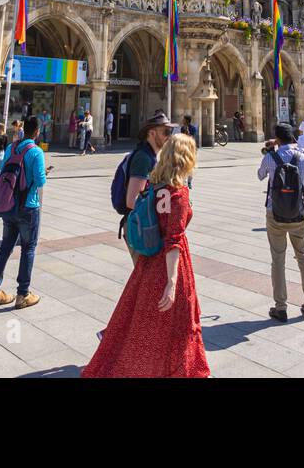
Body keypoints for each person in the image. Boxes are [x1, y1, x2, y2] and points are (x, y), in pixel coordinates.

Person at [82, 133, 210, 378]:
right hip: (171, 262)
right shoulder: (179, 193)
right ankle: (178, 368)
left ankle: (138, 362)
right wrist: (172, 283)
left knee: (143, 318)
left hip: (149, 259)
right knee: (180, 321)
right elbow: (174, 240)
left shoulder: (154, 184)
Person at [0, 116, 46, 309]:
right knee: (28, 248)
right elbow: (40, 180)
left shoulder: (12, 148)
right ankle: (23, 294)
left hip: (9, 206)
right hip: (28, 206)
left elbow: (4, 171)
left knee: (5, 247)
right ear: (37, 132)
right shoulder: (36, 151)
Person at [258, 123, 304, 322]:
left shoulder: (270, 157)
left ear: (277, 138)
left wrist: (270, 151)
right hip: (299, 212)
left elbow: (260, 175)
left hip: (275, 213)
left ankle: (281, 306)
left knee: (278, 260)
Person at [120, 111, 173, 265]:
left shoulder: (151, 156)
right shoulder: (143, 158)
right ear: (152, 133)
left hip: (147, 224)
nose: (169, 136)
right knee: (145, 279)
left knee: (148, 281)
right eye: (166, 132)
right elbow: (132, 200)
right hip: (140, 227)